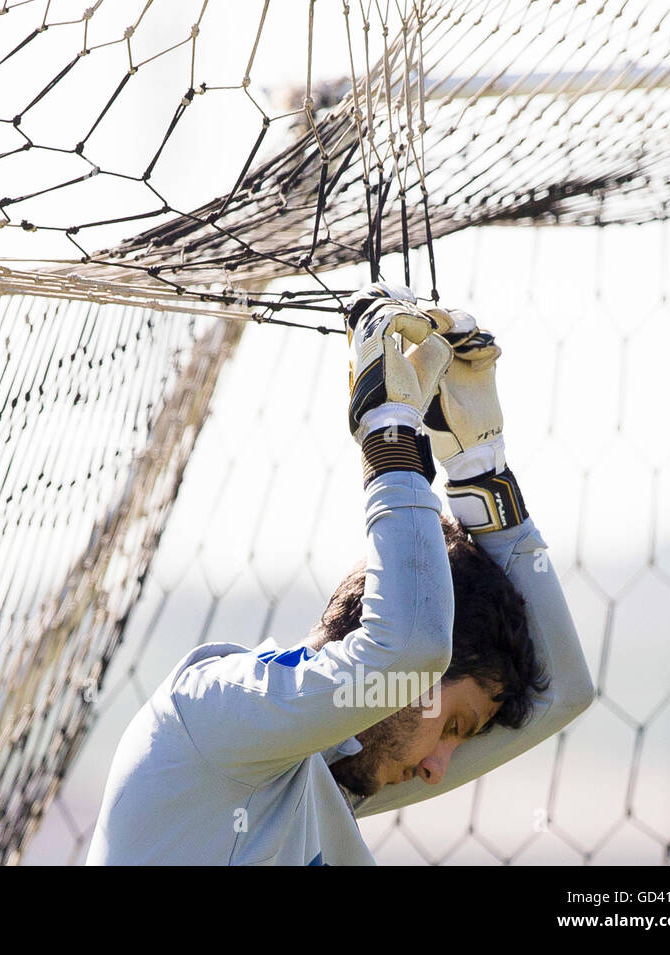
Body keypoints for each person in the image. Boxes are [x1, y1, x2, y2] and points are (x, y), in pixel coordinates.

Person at [85, 282, 595, 865]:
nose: (435, 770)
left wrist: (481, 470)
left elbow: (562, 694)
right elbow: (409, 650)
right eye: (454, 723)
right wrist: (390, 429)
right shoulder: (215, 717)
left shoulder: (329, 775)